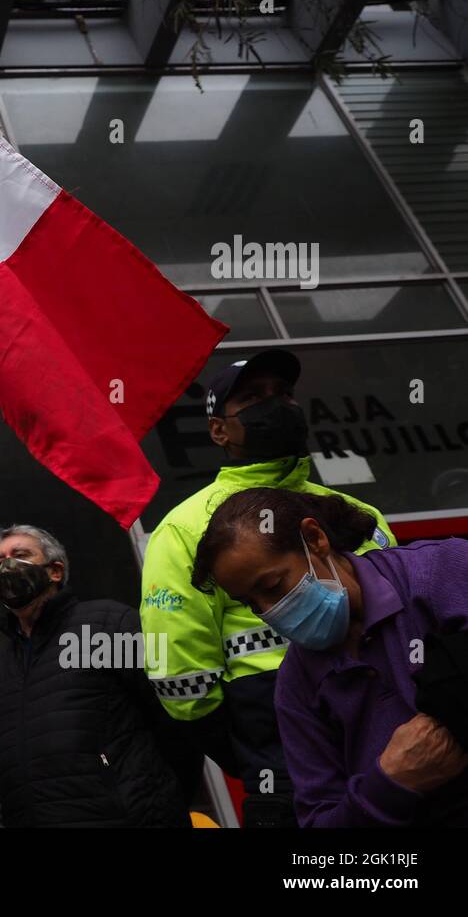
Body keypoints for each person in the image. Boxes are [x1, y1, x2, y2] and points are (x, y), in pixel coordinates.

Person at [140, 348, 396, 825]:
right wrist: (256, 754)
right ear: (219, 430)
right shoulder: (186, 527)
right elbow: (180, 678)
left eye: (283, 394)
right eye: (254, 398)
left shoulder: (357, 513)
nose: (275, 405)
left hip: (389, 729)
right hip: (282, 755)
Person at [190, 488, 468, 825]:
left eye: (274, 586)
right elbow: (319, 820)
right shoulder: (297, 684)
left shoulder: (444, 572)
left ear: (315, 538)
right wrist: (390, 783)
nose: (269, 611)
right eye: (250, 604)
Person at [0, 524, 190, 827]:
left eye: (21, 555)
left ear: (55, 571)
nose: (7, 566)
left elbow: (176, 714)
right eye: (0, 562)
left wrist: (158, 804)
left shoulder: (108, 623)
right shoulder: (1, 669)